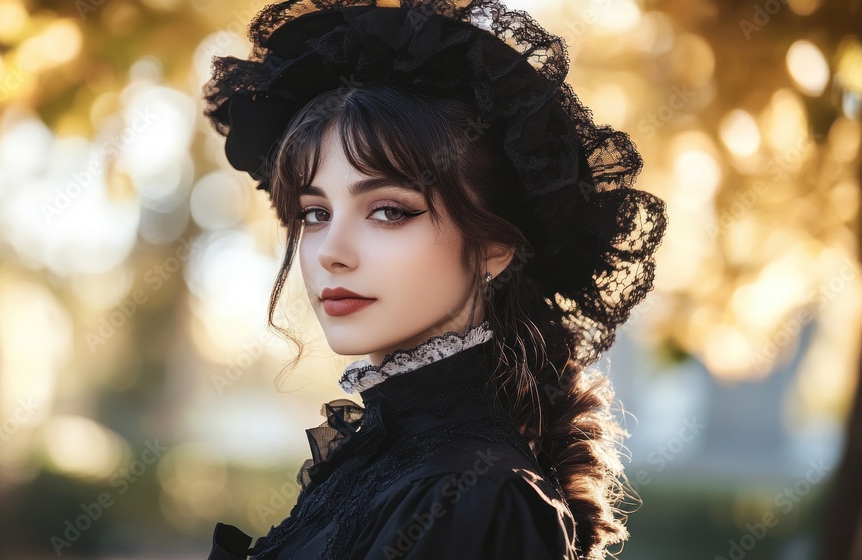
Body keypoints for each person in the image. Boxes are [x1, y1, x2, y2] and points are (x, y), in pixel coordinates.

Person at [200, 0, 668, 558]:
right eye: (314, 213)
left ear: (497, 247)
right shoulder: (377, 462)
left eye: (389, 211)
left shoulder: (479, 497)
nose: (332, 253)